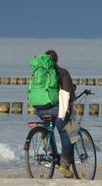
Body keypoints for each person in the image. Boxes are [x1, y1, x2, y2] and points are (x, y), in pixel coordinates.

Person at [30, 50, 77, 178]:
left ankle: (46, 137)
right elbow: (67, 93)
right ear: (56, 60)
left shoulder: (40, 73)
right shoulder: (62, 72)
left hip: (39, 109)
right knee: (70, 132)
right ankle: (64, 164)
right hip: (55, 110)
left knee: (49, 125)